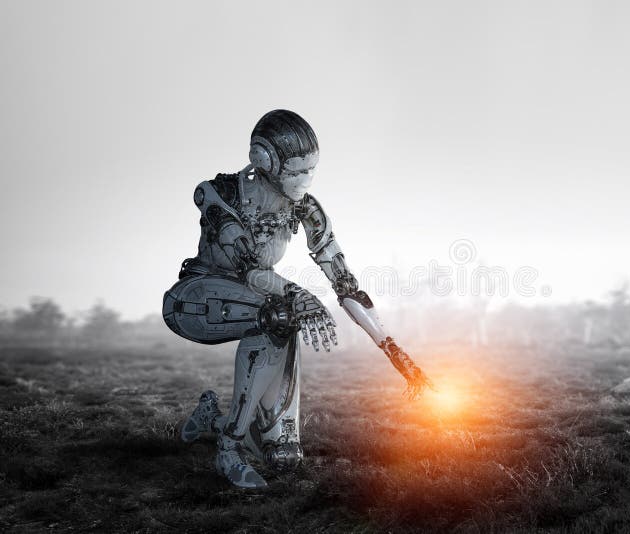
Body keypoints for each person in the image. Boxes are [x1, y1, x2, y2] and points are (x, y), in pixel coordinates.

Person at [162, 110, 433, 488]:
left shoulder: (305, 207)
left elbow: (345, 283)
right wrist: (298, 293)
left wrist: (393, 350)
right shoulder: (218, 192)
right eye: (297, 171)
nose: (305, 180)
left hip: (259, 301)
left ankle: (214, 418)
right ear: (264, 161)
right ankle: (229, 447)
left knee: (283, 457)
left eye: (311, 170)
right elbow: (247, 268)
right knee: (279, 312)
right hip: (195, 299)